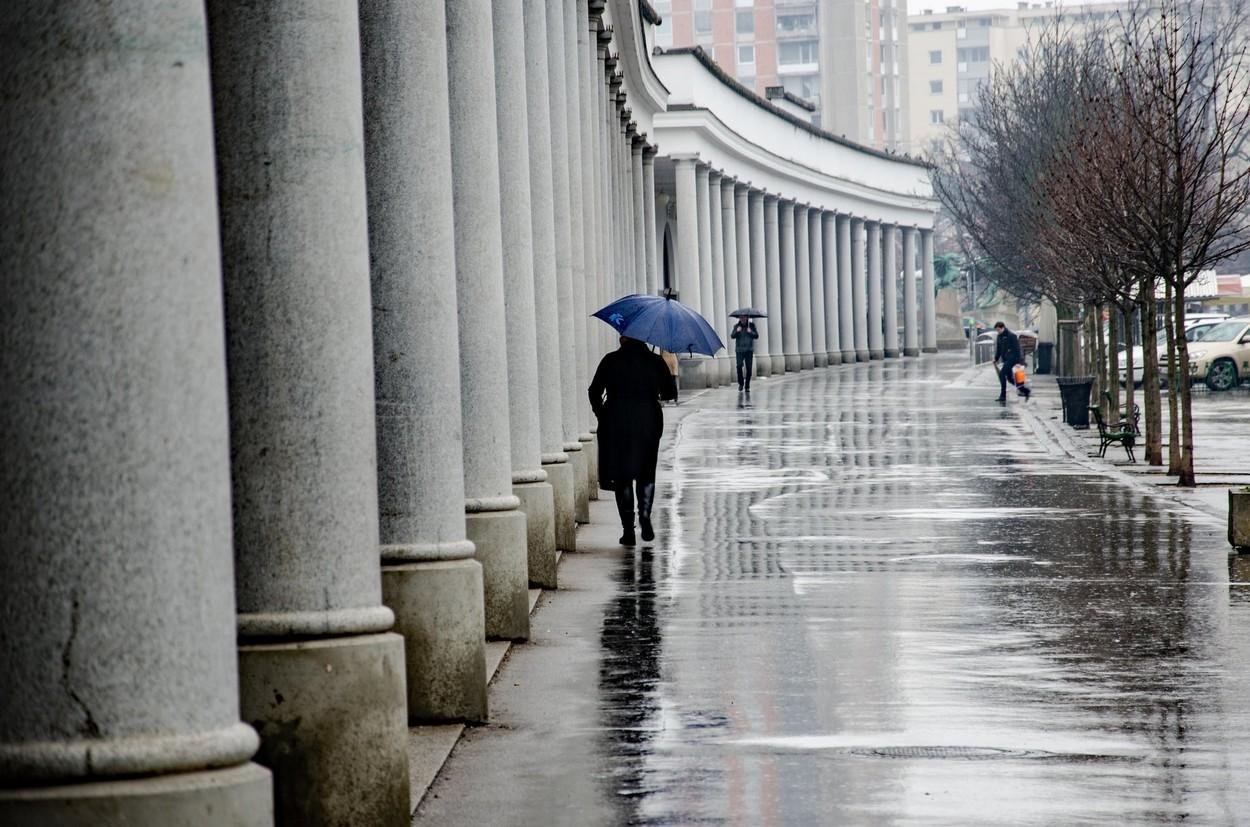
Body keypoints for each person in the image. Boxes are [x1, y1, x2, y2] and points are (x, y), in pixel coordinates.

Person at [588, 337, 678, 546]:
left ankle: (628, 530)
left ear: (623, 339)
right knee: (646, 473)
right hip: (648, 422)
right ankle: (645, 516)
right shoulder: (655, 361)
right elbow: (668, 394)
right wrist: (670, 372)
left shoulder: (610, 360)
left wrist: (602, 413)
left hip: (617, 422)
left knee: (623, 476)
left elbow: (594, 391)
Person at [992, 321, 1023, 402]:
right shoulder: (999, 337)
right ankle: (1021, 388)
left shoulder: (1011, 336)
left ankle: (1003, 395)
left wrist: (1018, 362)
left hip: (1012, 359)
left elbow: (1017, 349)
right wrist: (996, 358)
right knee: (1009, 378)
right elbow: (999, 350)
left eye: (998, 329)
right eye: (996, 330)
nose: (997, 331)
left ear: (1003, 328)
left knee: (1002, 374)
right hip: (1005, 359)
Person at [730, 316, 758, 392]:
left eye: (744, 317)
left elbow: (756, 336)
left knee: (749, 368)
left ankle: (747, 385)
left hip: (749, 350)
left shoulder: (751, 326)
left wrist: (750, 332)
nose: (742, 319)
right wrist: (737, 331)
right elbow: (732, 336)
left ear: (747, 318)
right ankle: (741, 383)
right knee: (739, 366)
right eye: (741, 318)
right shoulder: (736, 326)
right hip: (739, 350)